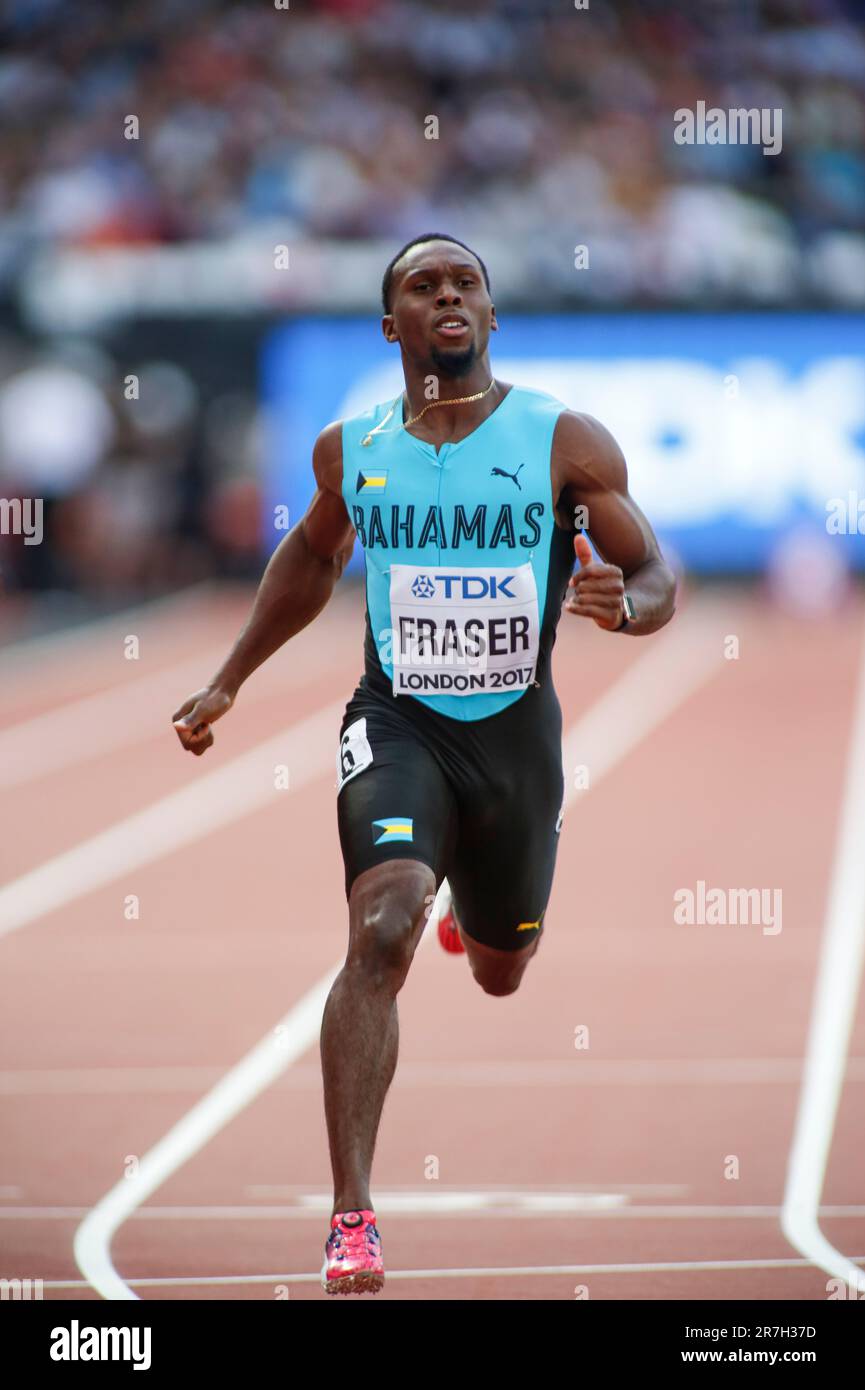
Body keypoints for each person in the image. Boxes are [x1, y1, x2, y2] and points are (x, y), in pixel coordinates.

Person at [172, 234, 677, 1295]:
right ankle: (351, 1213)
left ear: (490, 317)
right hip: (395, 723)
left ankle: (475, 917)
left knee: (499, 971)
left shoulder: (562, 442)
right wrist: (229, 679)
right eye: (422, 285)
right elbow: (312, 555)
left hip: (514, 742)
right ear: (391, 325)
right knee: (381, 926)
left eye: (466, 284)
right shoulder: (349, 449)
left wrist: (623, 609)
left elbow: (652, 570)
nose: (447, 296)